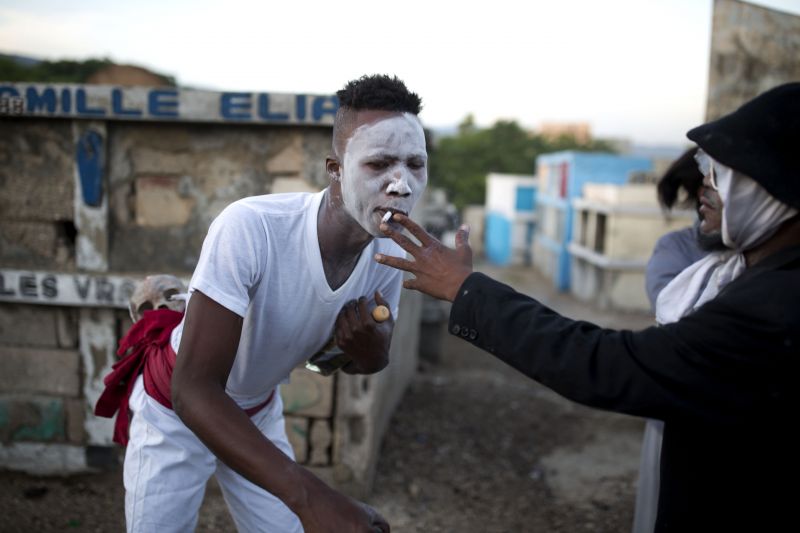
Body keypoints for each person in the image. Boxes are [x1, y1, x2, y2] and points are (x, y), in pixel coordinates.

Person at [375, 82, 800, 532]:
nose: (705, 187)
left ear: (780, 190)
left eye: (723, 174)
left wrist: (466, 290)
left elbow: (607, 365)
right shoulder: (742, 276)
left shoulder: (776, 307)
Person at [96, 74, 428, 532]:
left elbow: (341, 362)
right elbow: (193, 389)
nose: (401, 184)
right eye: (379, 164)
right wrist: (312, 497)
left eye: (415, 164)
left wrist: (370, 351)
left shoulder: (388, 252)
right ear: (335, 169)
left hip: (255, 411)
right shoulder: (253, 227)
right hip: (173, 409)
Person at [633, 146, 726, 533]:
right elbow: (676, 320)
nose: (705, 195)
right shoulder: (677, 249)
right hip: (681, 407)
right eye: (702, 186)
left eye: (716, 183)